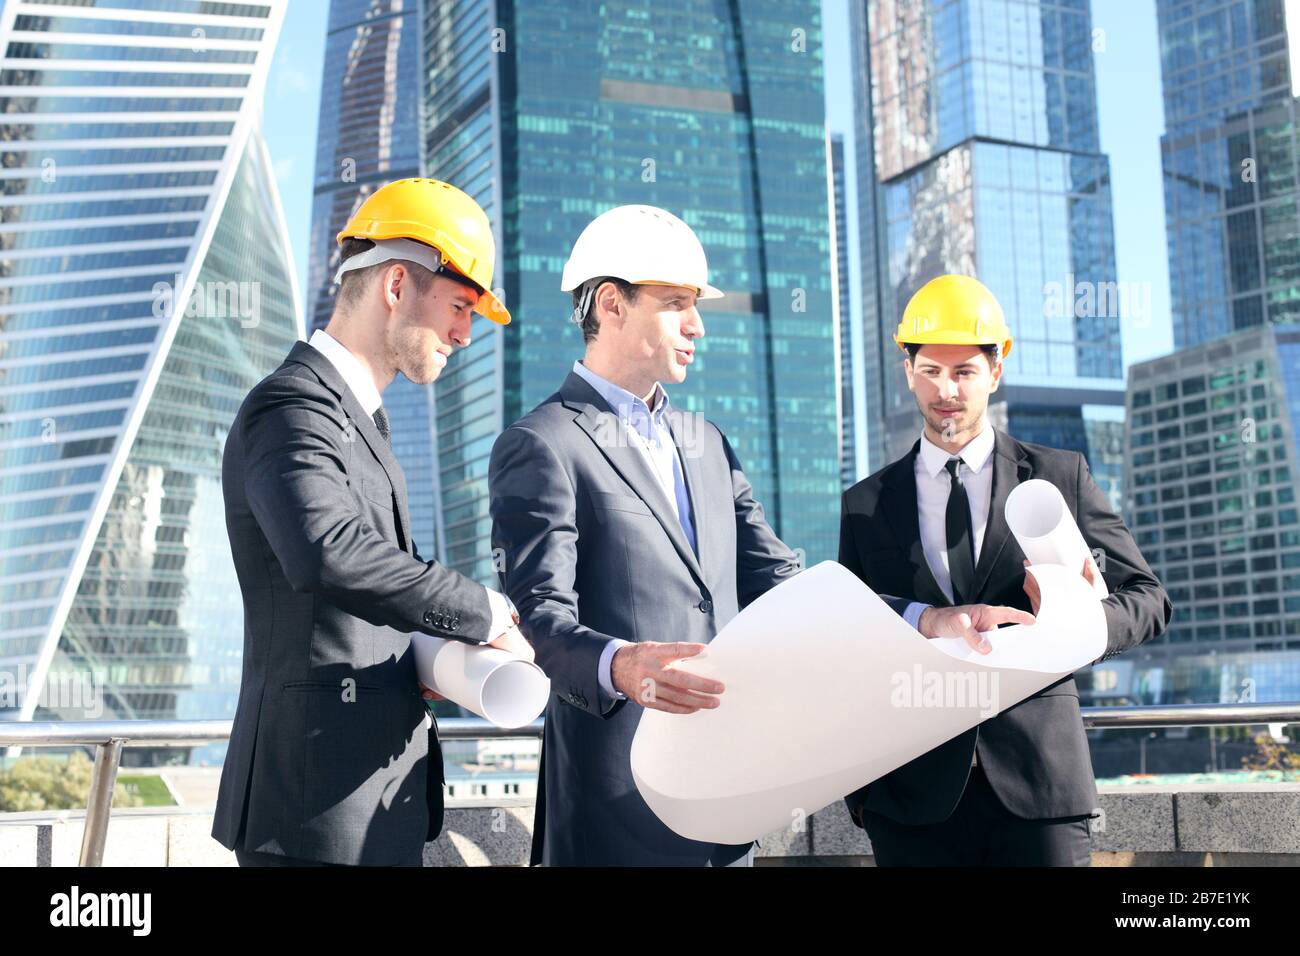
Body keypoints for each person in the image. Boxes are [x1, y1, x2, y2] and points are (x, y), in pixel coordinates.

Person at [488, 208, 1024, 865]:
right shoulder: (543, 443)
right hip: (614, 810)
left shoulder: (708, 445)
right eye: (677, 303)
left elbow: (789, 589)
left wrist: (926, 620)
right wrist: (621, 664)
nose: (697, 325)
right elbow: (538, 618)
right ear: (611, 304)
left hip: (726, 797)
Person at [213, 178, 532, 867]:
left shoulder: (360, 423)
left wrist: (417, 655)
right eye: (458, 306)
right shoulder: (290, 407)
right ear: (396, 284)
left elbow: (359, 604)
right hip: (312, 816)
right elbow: (328, 553)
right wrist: (483, 609)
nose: (464, 334)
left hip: (364, 805)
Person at [839, 273, 1172, 866]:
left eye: (965, 371)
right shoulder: (865, 504)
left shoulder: (1059, 476)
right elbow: (855, 636)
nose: (947, 389)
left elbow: (1148, 598)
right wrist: (864, 797)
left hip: (1040, 789)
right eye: (931, 370)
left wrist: (1076, 625)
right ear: (907, 371)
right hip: (911, 800)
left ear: (996, 371)